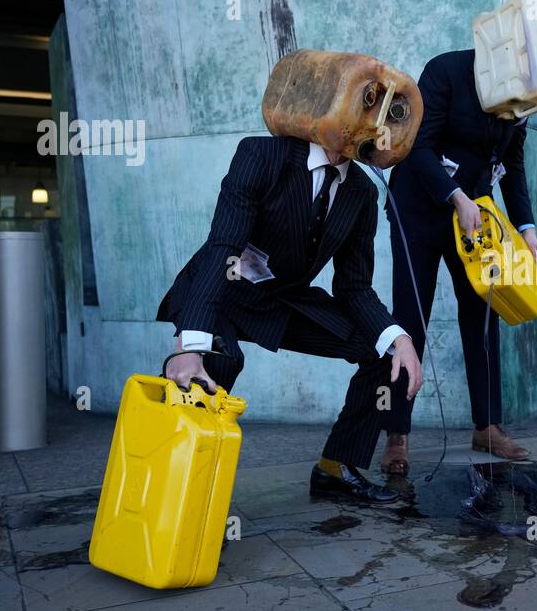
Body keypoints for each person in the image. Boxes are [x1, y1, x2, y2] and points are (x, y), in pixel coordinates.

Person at [158, 52, 424, 505]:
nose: (376, 125)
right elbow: (222, 247)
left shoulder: (360, 192)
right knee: (216, 363)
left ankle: (337, 468)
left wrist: (398, 338)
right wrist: (190, 345)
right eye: (367, 106)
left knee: (379, 350)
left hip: (283, 298)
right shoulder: (261, 156)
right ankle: (183, 496)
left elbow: (354, 287)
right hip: (222, 289)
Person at [379, 49, 537, 472]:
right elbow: (416, 147)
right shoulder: (445, 72)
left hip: (473, 221)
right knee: (410, 319)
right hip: (419, 210)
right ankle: (397, 433)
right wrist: (455, 196)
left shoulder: (526, 90)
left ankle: (487, 426)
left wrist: (527, 229)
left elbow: (513, 163)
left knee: (484, 313)